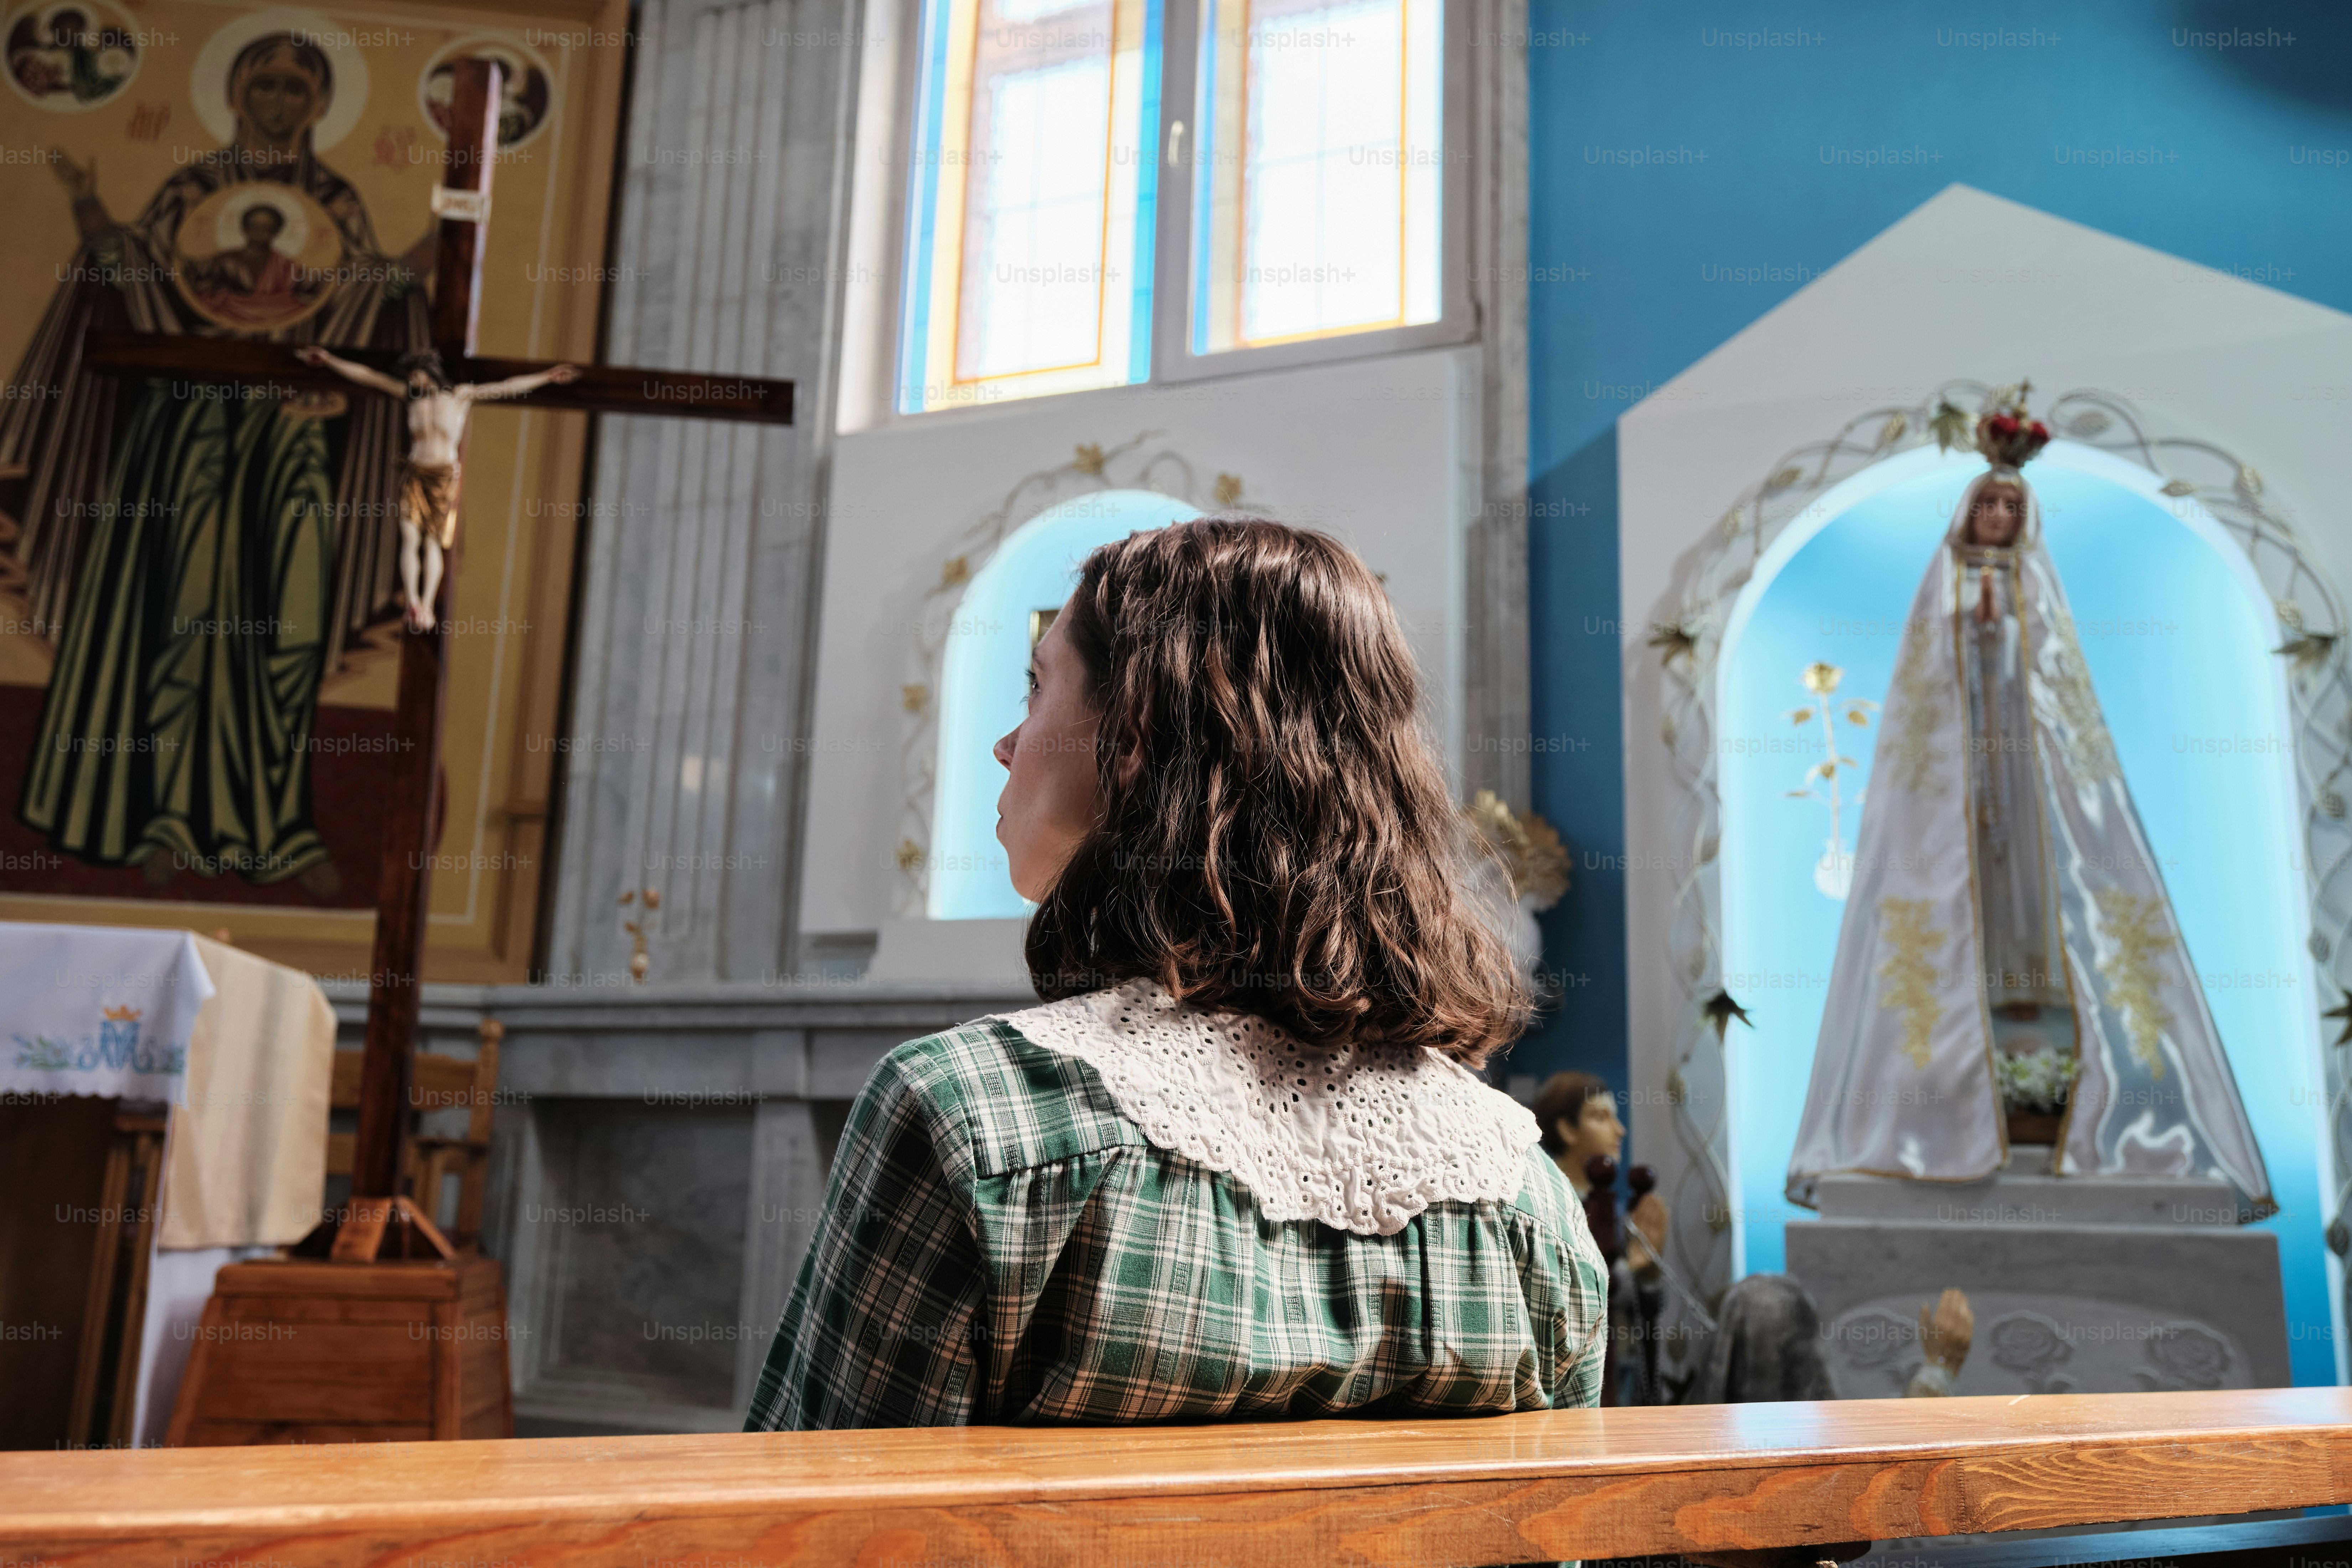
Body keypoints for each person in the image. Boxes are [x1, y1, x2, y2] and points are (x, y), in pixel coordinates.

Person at [745, 518, 1608, 1433]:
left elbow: (804, 1522)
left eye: (1036, 687)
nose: (1003, 743)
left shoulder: (964, 1118)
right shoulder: (1524, 1197)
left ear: (1131, 738)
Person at [1787, 392, 2270, 1214]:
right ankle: (1941, 1090)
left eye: (2011, 505)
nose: (1998, 516)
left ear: (2023, 518)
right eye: (1988, 503)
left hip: (2026, 774)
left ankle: (2069, 1072)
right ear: (1966, 512)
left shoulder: (2035, 588)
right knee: (1953, 897)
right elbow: (1919, 700)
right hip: (1953, 786)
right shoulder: (1938, 584)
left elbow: (2058, 697)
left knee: (2041, 891)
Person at [296, 346, 579, 629]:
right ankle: (413, 603)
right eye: (411, 378)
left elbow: (505, 388)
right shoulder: (410, 397)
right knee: (409, 537)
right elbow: (369, 377)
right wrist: (330, 361)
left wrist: (546, 376)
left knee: (433, 542)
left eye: (417, 375)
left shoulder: (460, 396)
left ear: (431, 373)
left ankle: (428, 605)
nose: (413, 382)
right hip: (415, 473)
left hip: (443, 477)